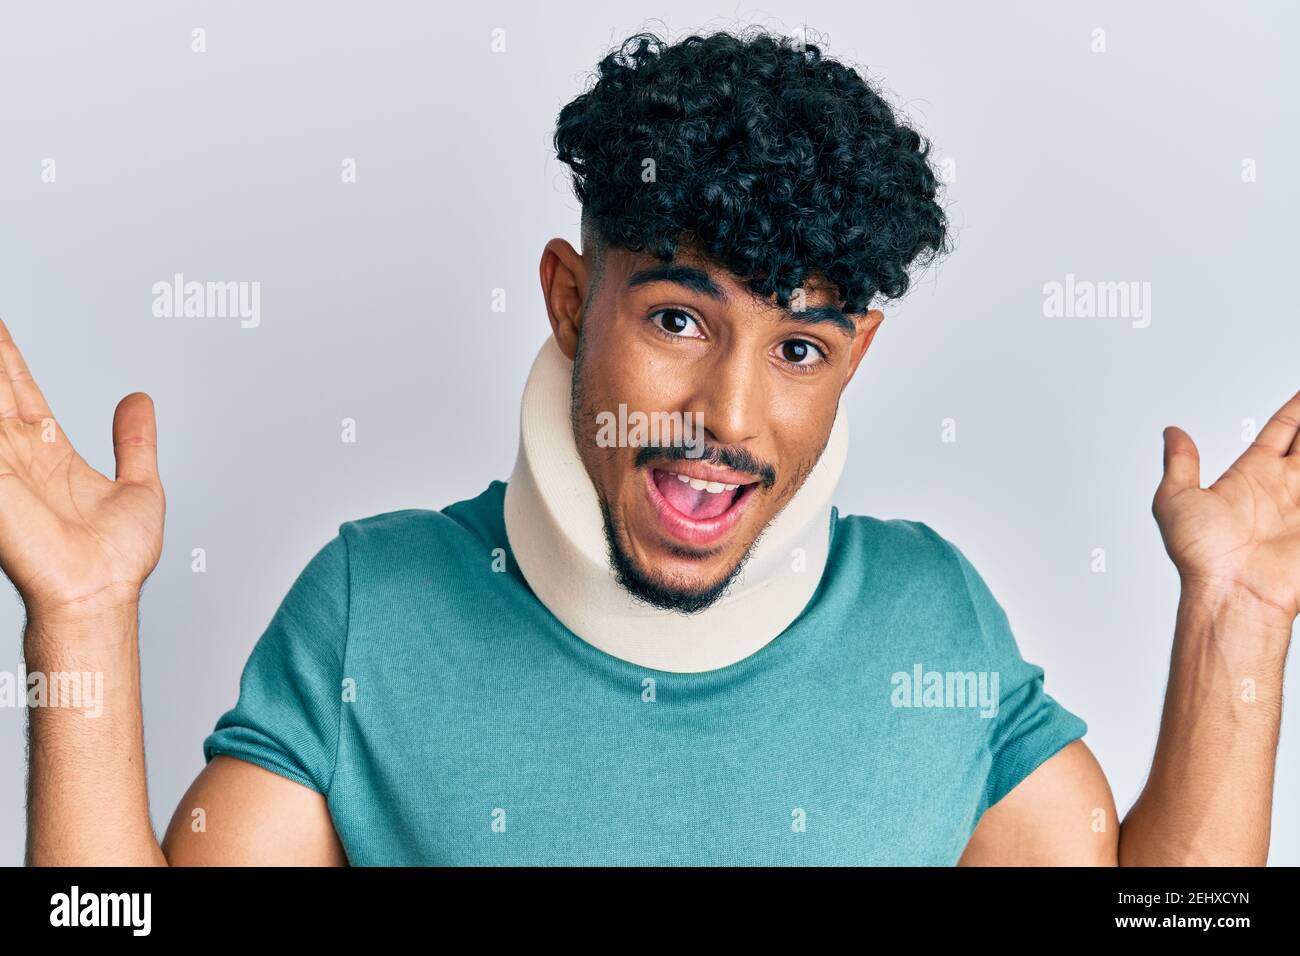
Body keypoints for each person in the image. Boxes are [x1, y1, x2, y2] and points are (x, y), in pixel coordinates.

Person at [15, 29, 1298, 866]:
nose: (731, 420)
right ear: (572, 302)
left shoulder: (928, 620)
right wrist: (79, 623)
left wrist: (1239, 615)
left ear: (856, 359)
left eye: (799, 345)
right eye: (678, 317)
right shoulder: (375, 609)